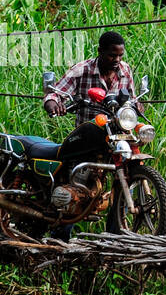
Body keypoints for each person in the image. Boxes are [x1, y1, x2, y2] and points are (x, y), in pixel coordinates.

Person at [40, 31, 137, 240]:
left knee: (126, 179)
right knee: (75, 185)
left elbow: (133, 100)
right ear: (100, 51)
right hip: (88, 137)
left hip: (115, 137)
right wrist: (54, 103)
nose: (117, 60)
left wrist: (137, 109)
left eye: (120, 55)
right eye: (112, 55)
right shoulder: (81, 70)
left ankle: (115, 236)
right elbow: (55, 92)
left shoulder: (125, 70)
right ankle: (59, 236)